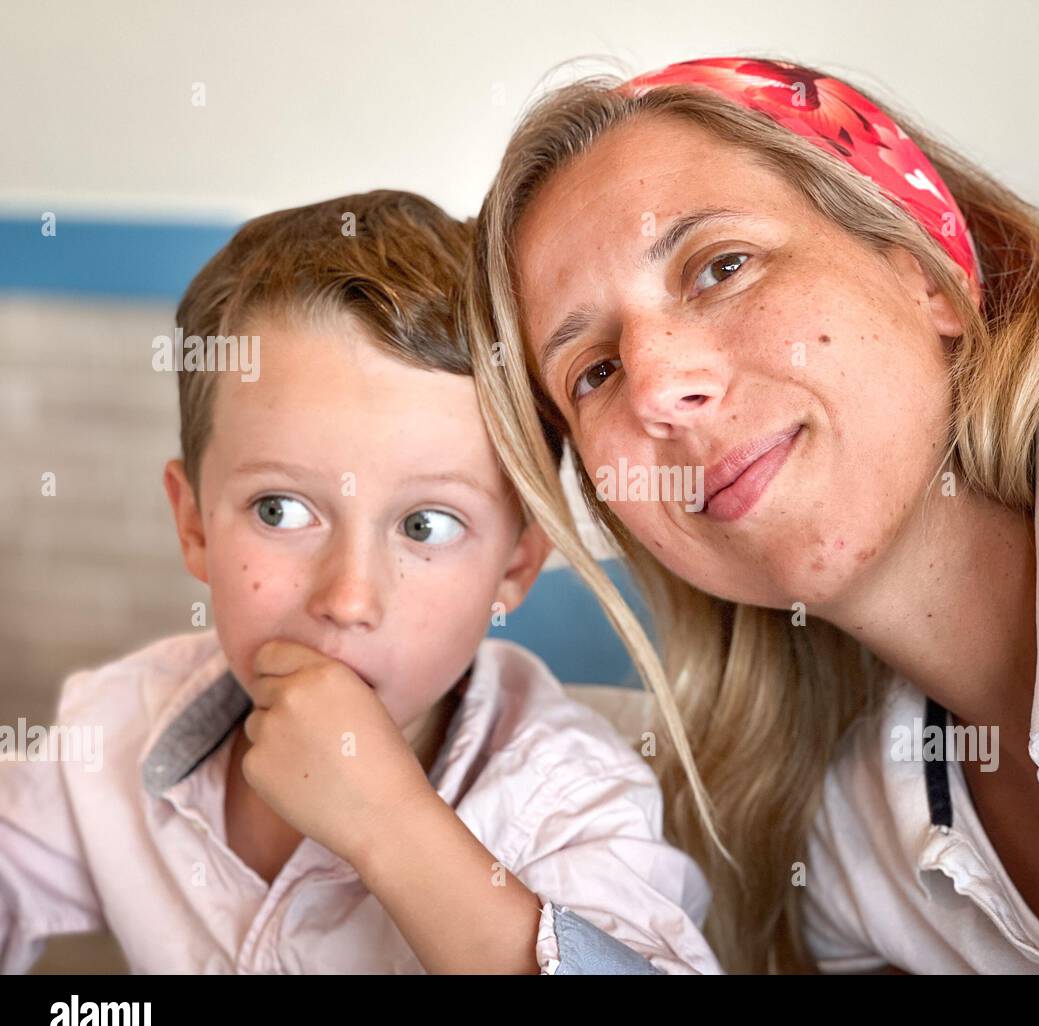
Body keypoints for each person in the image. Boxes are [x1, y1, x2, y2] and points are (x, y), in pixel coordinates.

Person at [463, 55, 1039, 974]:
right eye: (595, 371)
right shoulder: (846, 851)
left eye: (722, 267)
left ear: (926, 274)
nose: (659, 386)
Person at [0, 190, 719, 975]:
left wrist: (392, 828)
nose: (347, 598)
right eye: (281, 509)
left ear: (515, 564)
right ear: (196, 525)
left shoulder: (569, 798)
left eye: (427, 526)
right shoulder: (115, 728)